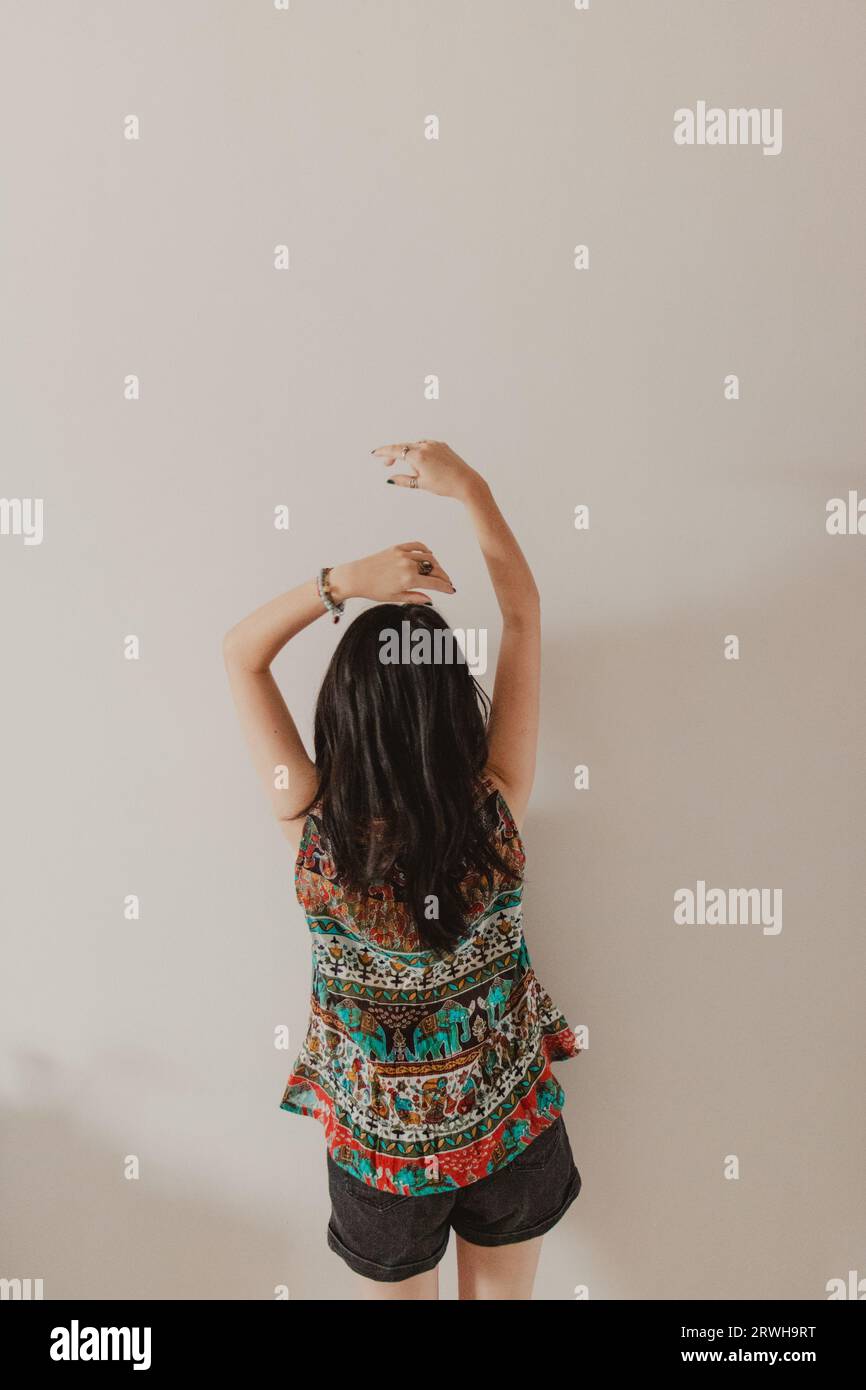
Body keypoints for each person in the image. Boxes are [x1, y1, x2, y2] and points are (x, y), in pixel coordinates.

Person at [223, 440, 582, 1300]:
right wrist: (470, 488)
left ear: (344, 710)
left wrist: (342, 583)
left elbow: (241, 654)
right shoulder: (495, 808)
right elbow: (524, 616)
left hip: (382, 1160)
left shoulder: (312, 829)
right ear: (454, 703)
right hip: (510, 1130)